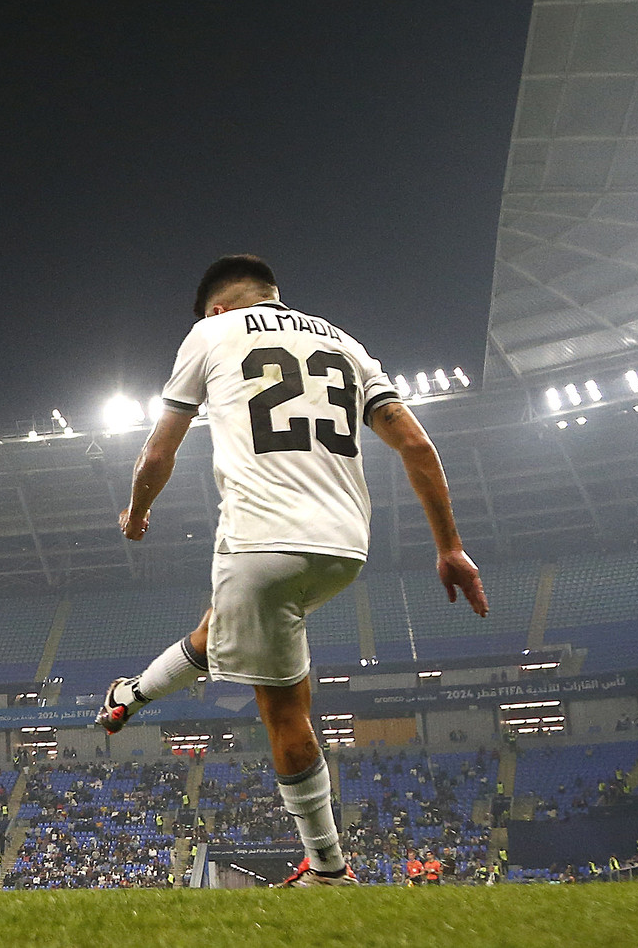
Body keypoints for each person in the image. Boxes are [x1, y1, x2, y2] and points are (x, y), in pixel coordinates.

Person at [95, 255, 488, 888]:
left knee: (285, 710)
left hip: (259, 541)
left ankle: (328, 870)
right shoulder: (345, 343)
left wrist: (136, 511)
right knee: (222, 629)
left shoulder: (210, 334)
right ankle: (131, 694)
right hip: (344, 548)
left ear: (219, 308)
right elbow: (416, 444)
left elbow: (158, 450)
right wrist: (450, 547)